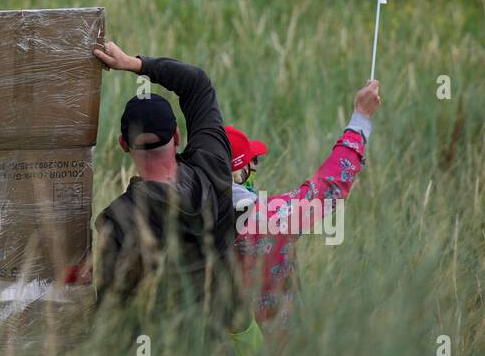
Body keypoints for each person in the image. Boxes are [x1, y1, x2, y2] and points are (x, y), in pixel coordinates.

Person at [90, 41, 243, 332]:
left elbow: (111, 313)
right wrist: (134, 64)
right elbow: (196, 84)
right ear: (176, 135)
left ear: (124, 144)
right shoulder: (213, 167)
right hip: (221, 343)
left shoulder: (119, 219)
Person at [231, 80, 381, 324]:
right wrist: (361, 119)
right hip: (276, 346)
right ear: (237, 172)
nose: (256, 165)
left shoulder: (186, 204)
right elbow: (329, 187)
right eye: (251, 161)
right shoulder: (265, 220)